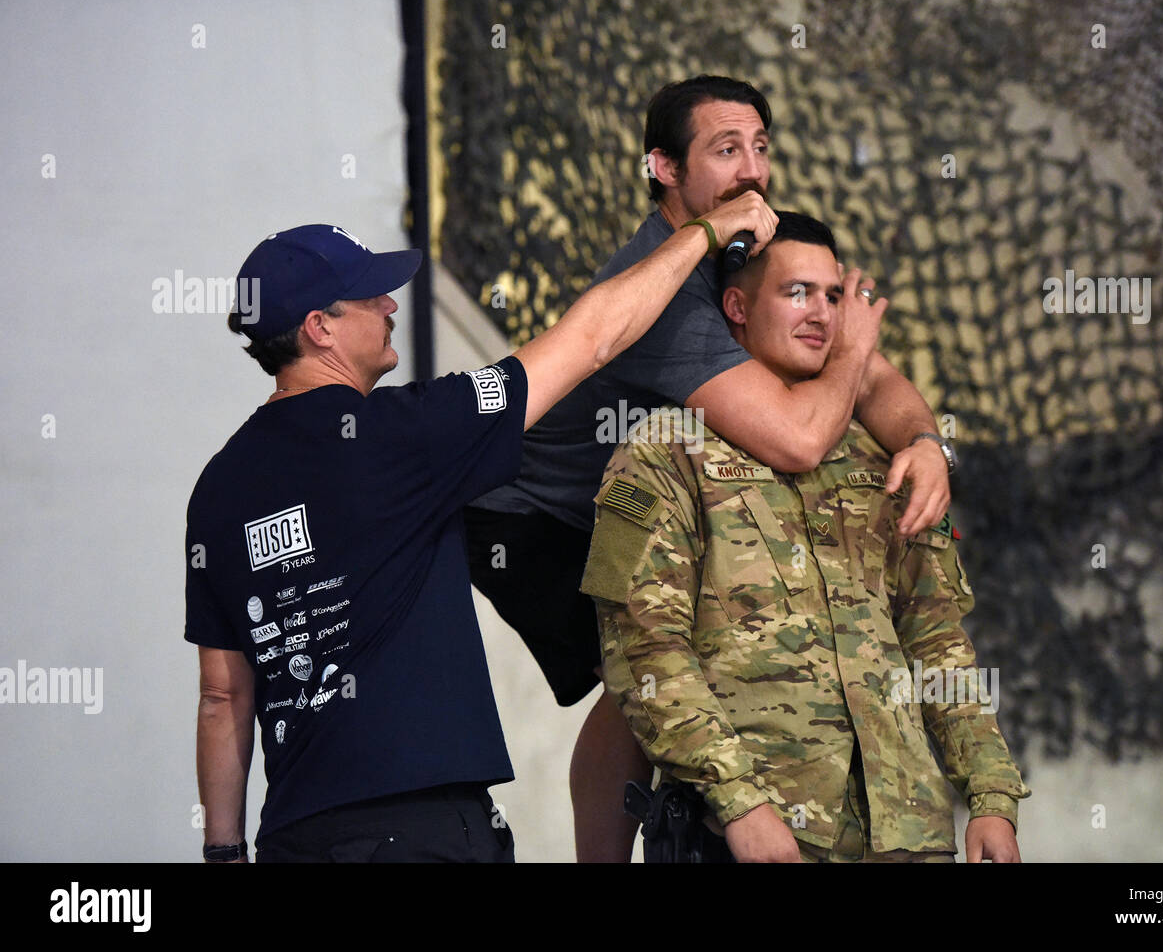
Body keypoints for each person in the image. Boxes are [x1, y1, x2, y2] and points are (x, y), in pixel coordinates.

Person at [186, 200, 775, 862]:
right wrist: (700, 234)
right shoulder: (403, 433)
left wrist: (224, 851)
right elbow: (592, 340)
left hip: (294, 837)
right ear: (320, 327)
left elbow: (221, 694)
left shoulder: (218, 487)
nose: (390, 306)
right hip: (421, 831)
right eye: (369, 297)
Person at [466, 75, 960, 861]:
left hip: (620, 487)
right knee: (642, 676)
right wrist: (857, 348)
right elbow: (801, 435)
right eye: (726, 151)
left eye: (760, 147)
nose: (752, 170)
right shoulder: (663, 288)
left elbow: (873, 379)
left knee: (659, 672)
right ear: (664, 168)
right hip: (529, 513)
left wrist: (928, 442)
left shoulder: (751, 251)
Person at [581, 212, 1030, 863]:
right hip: (746, 838)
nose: (823, 312)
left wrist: (990, 795)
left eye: (833, 295)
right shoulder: (663, 455)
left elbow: (936, 639)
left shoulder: (889, 459)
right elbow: (645, 650)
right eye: (797, 292)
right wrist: (738, 799)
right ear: (736, 306)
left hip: (907, 838)